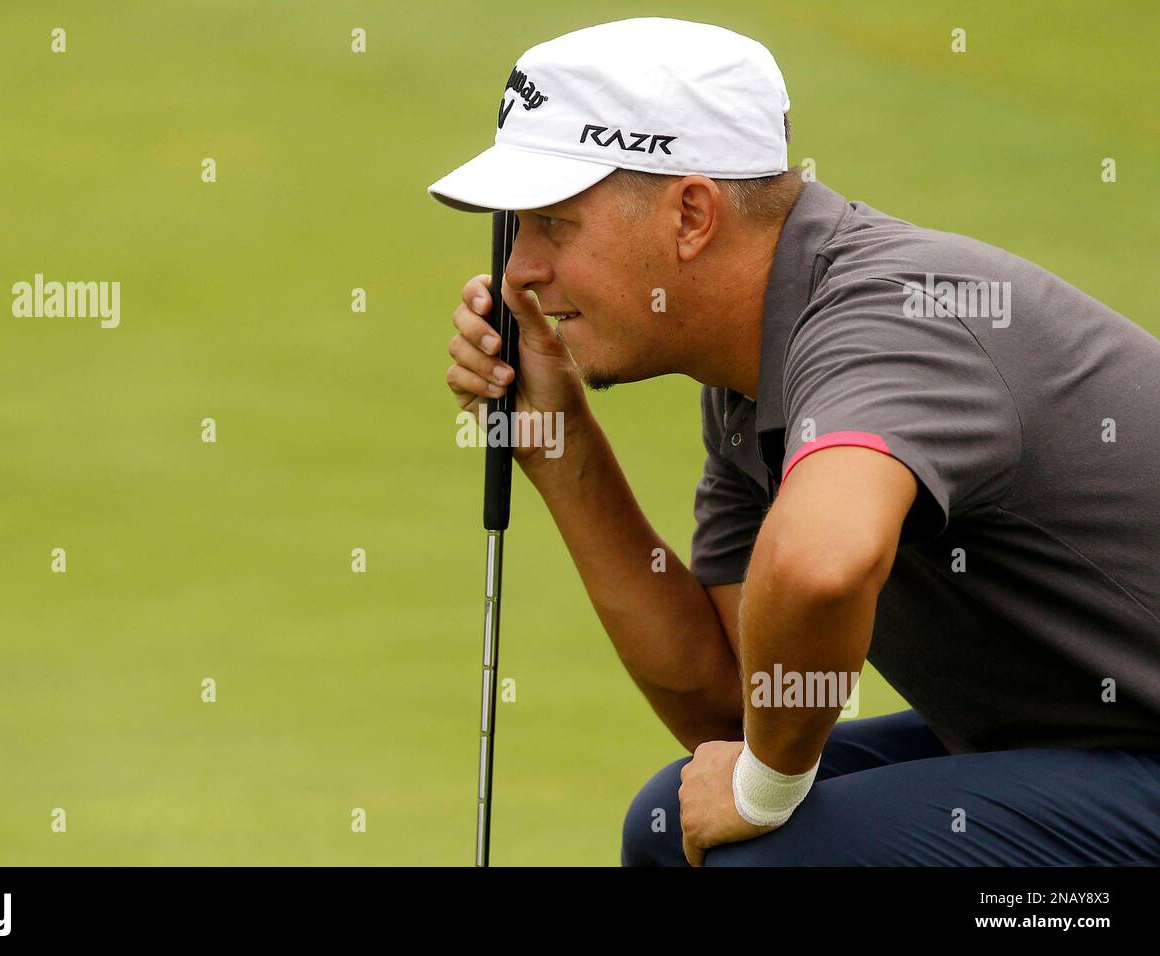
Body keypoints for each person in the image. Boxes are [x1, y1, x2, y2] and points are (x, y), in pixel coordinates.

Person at [428, 17, 1160, 865]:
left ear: (692, 214)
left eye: (554, 224)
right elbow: (737, 710)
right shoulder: (752, 378)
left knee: (775, 849)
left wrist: (763, 787)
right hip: (1095, 745)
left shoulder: (892, 317)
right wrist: (559, 447)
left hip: (1125, 750)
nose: (519, 270)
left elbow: (821, 565)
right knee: (673, 825)